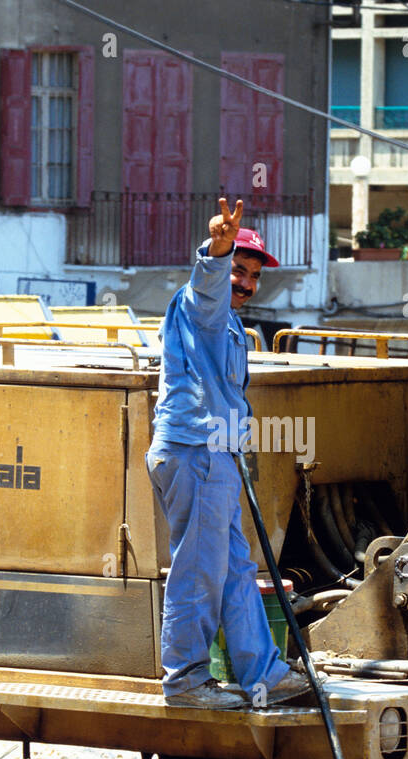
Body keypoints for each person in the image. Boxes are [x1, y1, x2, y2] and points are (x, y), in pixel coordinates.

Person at [146, 199, 312, 710]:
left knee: (237, 570)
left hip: (214, 458)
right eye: (240, 271)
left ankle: (262, 673)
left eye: (253, 276)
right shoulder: (203, 305)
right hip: (196, 453)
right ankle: (186, 681)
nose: (246, 283)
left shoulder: (234, 326)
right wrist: (218, 250)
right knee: (198, 571)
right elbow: (208, 287)